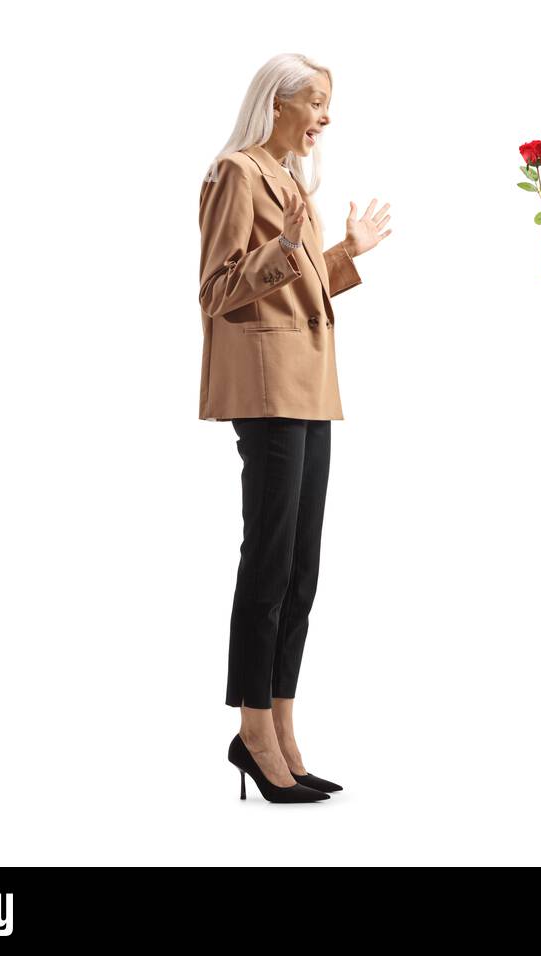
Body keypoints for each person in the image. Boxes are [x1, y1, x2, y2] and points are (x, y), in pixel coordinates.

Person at [198, 53, 391, 803]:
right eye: (314, 101)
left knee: (301, 567)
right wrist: (282, 249)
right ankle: (251, 730)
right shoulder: (236, 174)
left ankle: (281, 724)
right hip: (269, 387)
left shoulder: (294, 184)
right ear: (275, 104)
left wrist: (346, 254)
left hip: (311, 385)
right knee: (269, 562)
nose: (326, 117)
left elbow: (298, 290)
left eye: (327, 103)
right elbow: (217, 291)